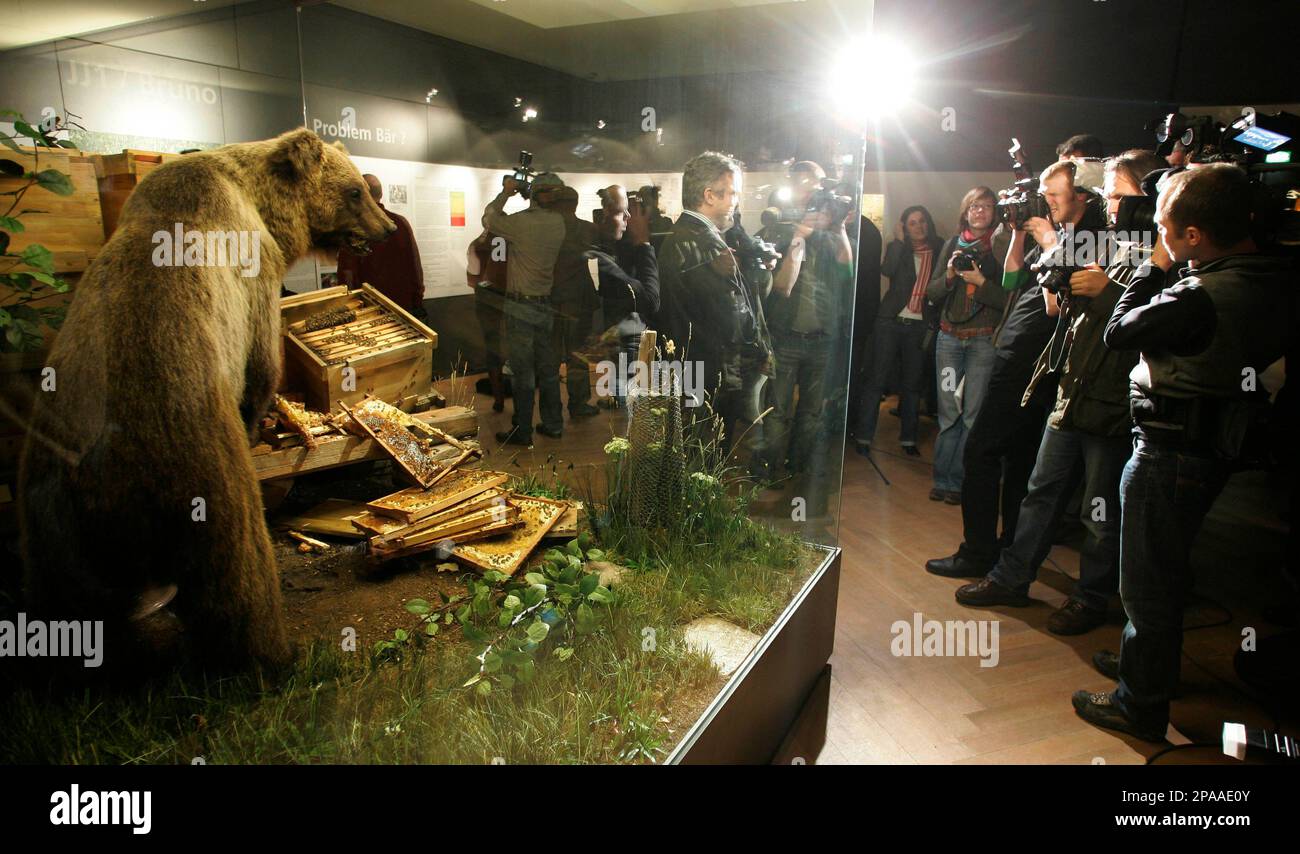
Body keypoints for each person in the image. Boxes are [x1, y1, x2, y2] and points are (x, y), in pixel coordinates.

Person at [1074, 164, 1291, 740]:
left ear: (1193, 236)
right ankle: (1148, 670)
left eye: (1167, 227)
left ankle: (1139, 705)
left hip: (1168, 452)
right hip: (1217, 445)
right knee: (1166, 572)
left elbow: (1118, 330)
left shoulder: (1198, 294)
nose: (1160, 236)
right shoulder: (1274, 274)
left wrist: (1156, 267)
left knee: (1147, 585)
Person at [955, 156, 1150, 636]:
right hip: (1070, 382)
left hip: (1109, 392)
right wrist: (1053, 254)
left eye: (1119, 194)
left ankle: (1091, 598)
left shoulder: (1149, 248)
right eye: (1108, 193)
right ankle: (1010, 576)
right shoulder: (1095, 240)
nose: (1111, 203)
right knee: (1041, 491)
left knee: (1098, 510)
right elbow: (1051, 302)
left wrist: (1102, 288)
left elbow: (1140, 322)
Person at [926, 160, 1107, 581]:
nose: (1045, 203)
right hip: (1015, 351)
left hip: (1033, 361)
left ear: (1083, 197)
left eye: (1053, 196)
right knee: (1015, 458)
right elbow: (1011, 281)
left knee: (983, 451)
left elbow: (1057, 306)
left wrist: (1048, 241)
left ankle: (979, 552)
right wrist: (1025, 232)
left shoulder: (1089, 241)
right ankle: (1002, 550)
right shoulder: (1057, 234)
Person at [658, 151, 765, 451]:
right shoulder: (695, 239)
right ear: (709, 195)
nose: (736, 201)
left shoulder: (698, 236)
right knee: (702, 456)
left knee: (704, 453)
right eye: (731, 193)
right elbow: (719, 312)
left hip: (704, 369)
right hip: (706, 371)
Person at [763, 161, 854, 480]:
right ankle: (770, 470)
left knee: (813, 413)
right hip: (786, 335)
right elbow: (783, 287)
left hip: (821, 338)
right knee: (777, 411)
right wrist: (800, 235)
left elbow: (846, 272)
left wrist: (839, 227)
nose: (811, 191)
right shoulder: (779, 228)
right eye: (805, 184)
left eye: (816, 185)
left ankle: (797, 468)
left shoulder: (830, 234)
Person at [924, 187, 1008, 503]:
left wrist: (980, 282)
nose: (980, 211)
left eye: (987, 206)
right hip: (948, 340)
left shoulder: (1002, 248)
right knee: (948, 414)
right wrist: (948, 275)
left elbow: (1008, 300)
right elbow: (931, 294)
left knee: (973, 416)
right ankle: (942, 480)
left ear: (995, 213)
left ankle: (961, 483)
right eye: (974, 205)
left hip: (983, 341)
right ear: (965, 210)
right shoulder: (951, 246)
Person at [481, 171, 566, 447]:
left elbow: (489, 218)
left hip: (521, 306)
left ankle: (523, 430)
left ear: (535, 193)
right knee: (549, 370)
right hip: (545, 304)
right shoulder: (558, 223)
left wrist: (507, 191)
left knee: (523, 372)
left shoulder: (523, 224)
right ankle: (553, 424)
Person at [854, 205, 942, 458]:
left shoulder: (939, 249)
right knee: (875, 380)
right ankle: (863, 437)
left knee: (913, 384)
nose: (919, 226)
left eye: (922, 221)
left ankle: (908, 439)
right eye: (912, 222)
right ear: (904, 226)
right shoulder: (899, 248)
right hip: (889, 322)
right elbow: (887, 270)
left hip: (919, 324)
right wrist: (898, 241)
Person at [592, 185, 660, 406]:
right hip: (617, 304)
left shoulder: (638, 239)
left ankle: (626, 401)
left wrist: (642, 242)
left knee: (628, 353)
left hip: (631, 308)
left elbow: (650, 297)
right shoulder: (615, 235)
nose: (629, 216)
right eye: (624, 211)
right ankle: (622, 399)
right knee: (617, 354)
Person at [336, 173, 425, 315]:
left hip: (370, 312)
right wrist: (417, 300)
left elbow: (347, 276)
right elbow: (415, 267)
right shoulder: (401, 223)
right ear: (381, 193)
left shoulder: (354, 229)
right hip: (404, 309)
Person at [549, 186, 601, 419]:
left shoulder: (546, 231)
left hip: (552, 299)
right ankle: (578, 404)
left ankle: (552, 412)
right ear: (575, 204)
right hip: (579, 300)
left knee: (549, 358)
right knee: (578, 355)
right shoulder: (588, 229)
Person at [466, 230, 508, 412]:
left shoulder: (477, 244)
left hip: (486, 302)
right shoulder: (512, 243)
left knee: (493, 349)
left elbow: (471, 278)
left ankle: (498, 398)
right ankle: (523, 403)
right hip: (512, 301)